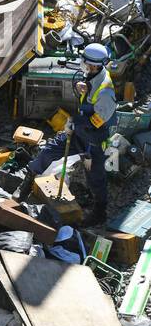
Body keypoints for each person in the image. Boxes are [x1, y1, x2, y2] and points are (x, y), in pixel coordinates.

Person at [17, 44, 116, 224]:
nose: (83, 67)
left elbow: (97, 123)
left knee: (95, 178)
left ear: (94, 66)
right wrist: (83, 88)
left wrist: (86, 150)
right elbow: (86, 105)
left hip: (93, 141)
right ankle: (27, 182)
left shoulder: (106, 92)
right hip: (78, 132)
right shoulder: (92, 77)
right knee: (48, 152)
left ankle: (99, 213)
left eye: (86, 64)